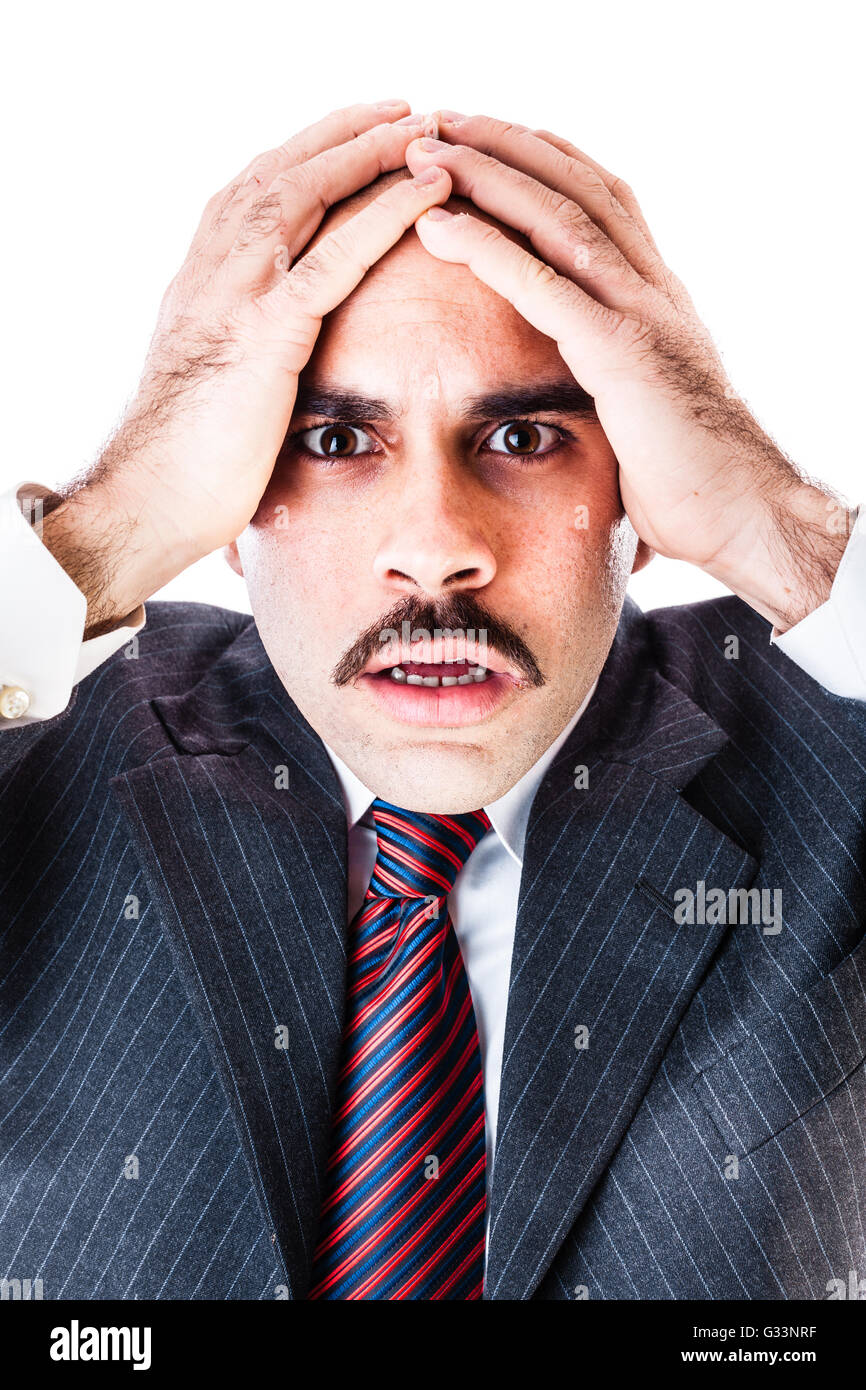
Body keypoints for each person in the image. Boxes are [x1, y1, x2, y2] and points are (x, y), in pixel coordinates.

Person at [1, 100, 864, 1301]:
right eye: (335, 440)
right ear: (234, 497)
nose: (434, 548)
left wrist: (767, 520)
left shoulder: (828, 755)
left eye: (519, 436)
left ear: (637, 479)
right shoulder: (42, 764)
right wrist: (112, 530)